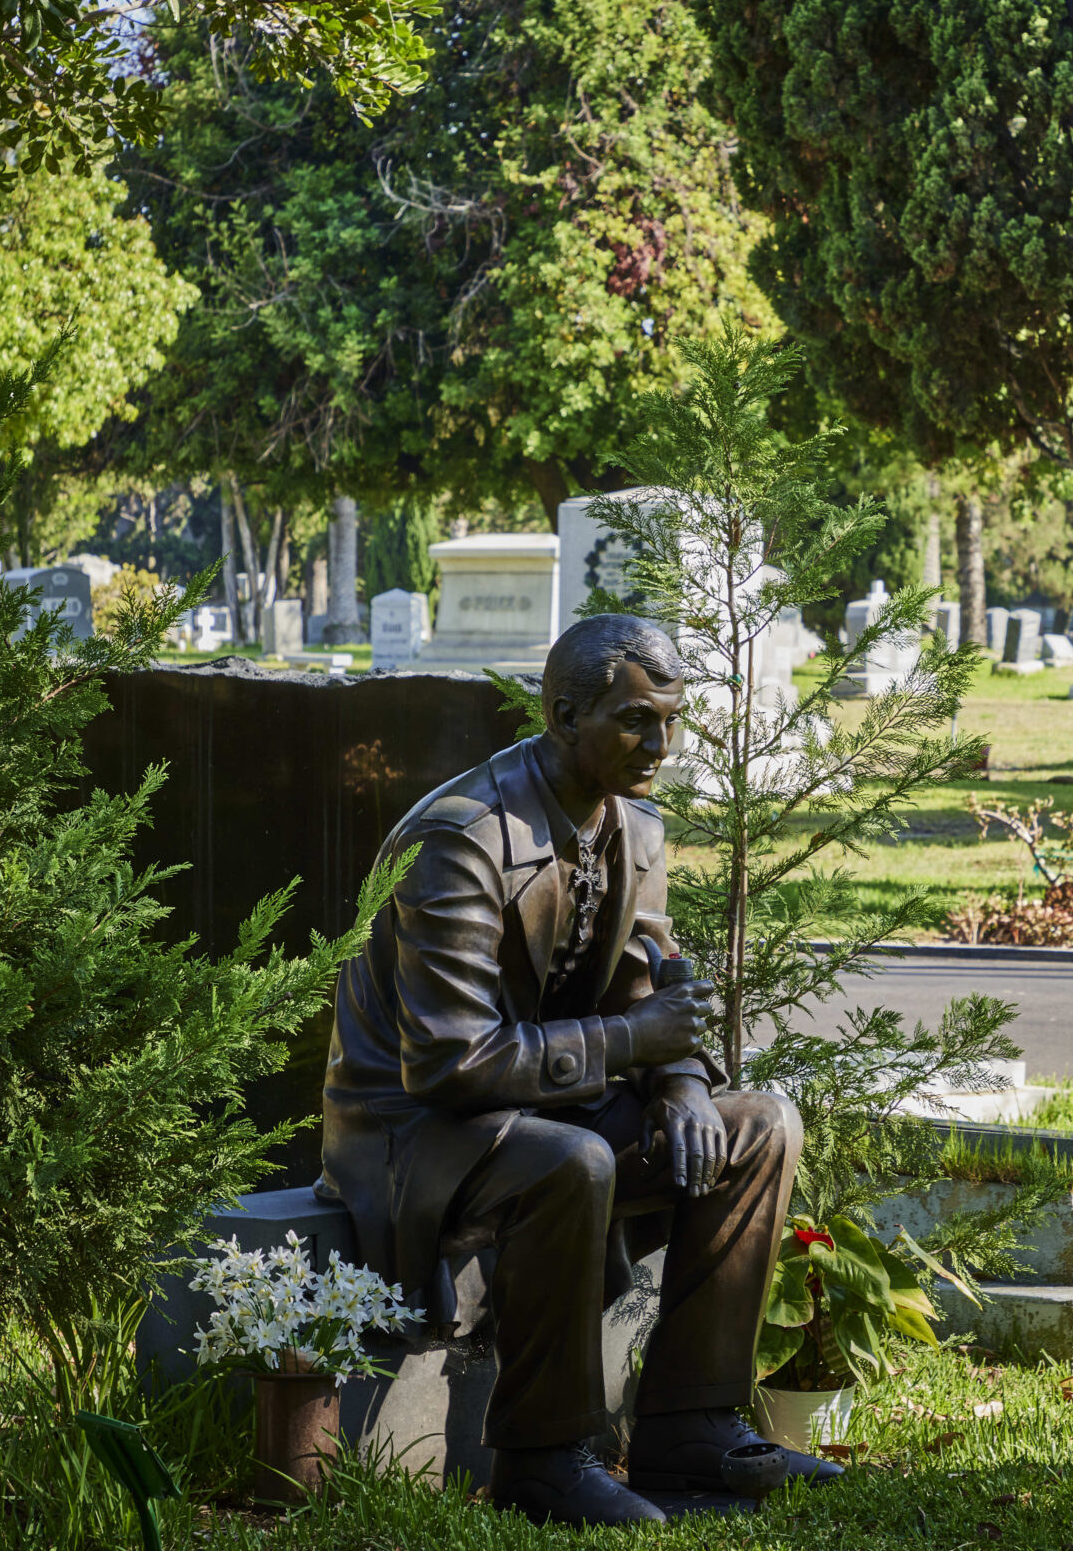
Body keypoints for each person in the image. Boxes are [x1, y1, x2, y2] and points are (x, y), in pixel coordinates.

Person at [318, 614, 838, 1525]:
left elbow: (651, 993)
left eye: (671, 720)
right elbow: (448, 1063)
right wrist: (635, 1046)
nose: (661, 744)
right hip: (416, 1133)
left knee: (758, 1126)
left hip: (545, 1101)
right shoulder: (462, 841)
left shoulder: (635, 830)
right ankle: (543, 1458)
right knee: (573, 1160)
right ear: (563, 714)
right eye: (637, 720)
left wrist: (679, 1084)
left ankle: (690, 1427)